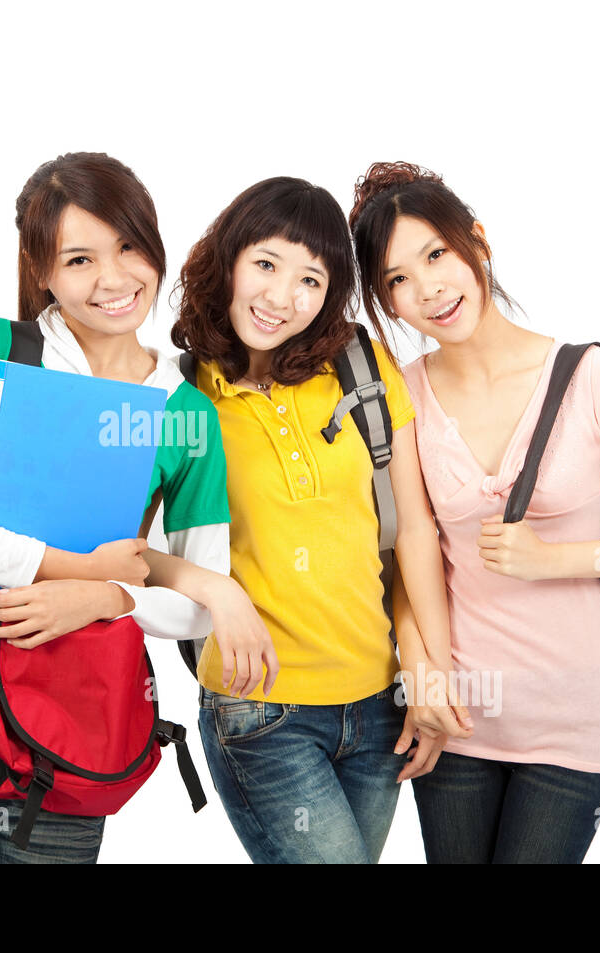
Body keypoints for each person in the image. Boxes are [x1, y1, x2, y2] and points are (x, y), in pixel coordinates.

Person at [0, 152, 241, 864]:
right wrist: (66, 569)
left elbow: (197, 605)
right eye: (79, 259)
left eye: (129, 246)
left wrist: (102, 597)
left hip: (66, 720)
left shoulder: (185, 411)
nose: (113, 278)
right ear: (42, 270)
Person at [349, 161, 600, 863]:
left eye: (436, 255)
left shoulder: (591, 376)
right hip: (453, 715)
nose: (428, 289)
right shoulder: (403, 396)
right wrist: (420, 665)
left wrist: (556, 559)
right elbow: (408, 542)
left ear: (476, 243)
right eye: (397, 280)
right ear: (387, 303)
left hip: (573, 718)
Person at [169, 176, 470, 864]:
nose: (282, 297)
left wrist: (433, 673)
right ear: (228, 259)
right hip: (260, 711)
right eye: (267, 265)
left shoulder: (358, 367)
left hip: (377, 706)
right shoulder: (181, 396)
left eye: (311, 279)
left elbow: (413, 527)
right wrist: (214, 589)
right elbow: (123, 548)